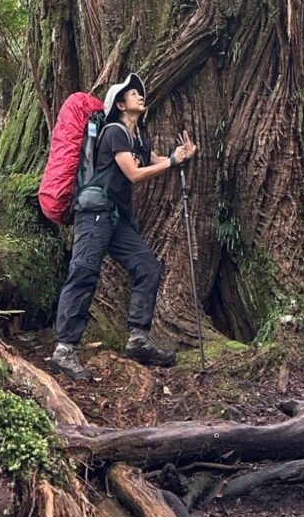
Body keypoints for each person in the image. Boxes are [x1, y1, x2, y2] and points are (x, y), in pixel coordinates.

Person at [49, 72, 197, 380]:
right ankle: (64, 350)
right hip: (95, 214)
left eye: (140, 93)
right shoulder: (114, 131)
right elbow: (134, 174)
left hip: (116, 218)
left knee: (147, 266)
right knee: (84, 273)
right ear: (119, 104)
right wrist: (170, 163)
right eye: (132, 93)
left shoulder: (137, 138)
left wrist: (180, 156)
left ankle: (138, 339)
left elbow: (157, 160)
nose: (140, 96)